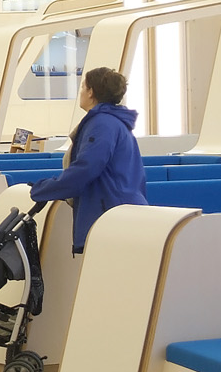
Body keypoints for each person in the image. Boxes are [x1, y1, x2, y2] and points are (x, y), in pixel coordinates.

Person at [24, 63, 147, 252]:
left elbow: (87, 168)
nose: (80, 92)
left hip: (109, 217)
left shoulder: (102, 124)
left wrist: (44, 189)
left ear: (91, 92)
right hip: (121, 213)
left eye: (83, 87)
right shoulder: (116, 123)